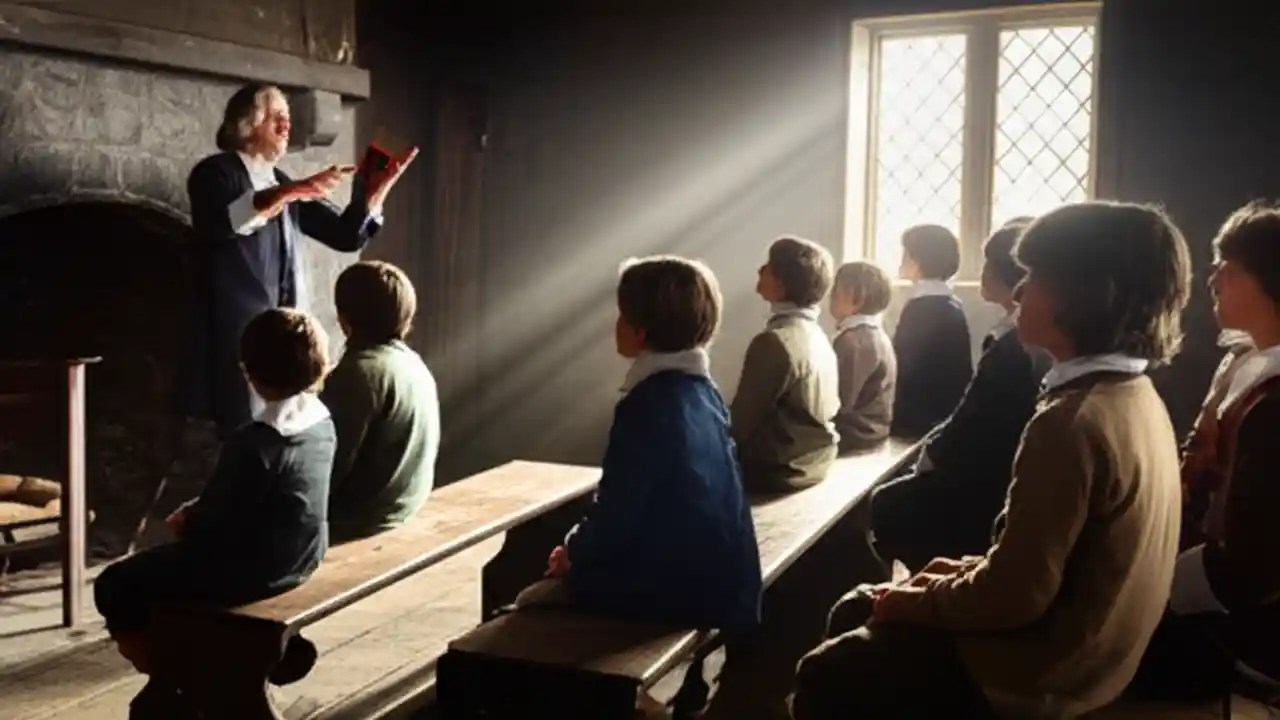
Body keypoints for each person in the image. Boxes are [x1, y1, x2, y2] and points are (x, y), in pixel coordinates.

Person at [792, 202, 1191, 719]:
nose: (1020, 292)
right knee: (864, 608)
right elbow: (1037, 562)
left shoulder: (1072, 421)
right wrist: (941, 577)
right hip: (1097, 655)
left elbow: (1017, 595)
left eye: (1036, 276)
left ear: (1088, 294)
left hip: (1044, 670)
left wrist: (912, 600)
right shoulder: (1132, 394)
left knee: (830, 668)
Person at [95, 308, 335, 712]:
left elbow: (215, 528)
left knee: (117, 582)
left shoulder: (253, 442)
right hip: (304, 555)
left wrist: (188, 520)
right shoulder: (322, 425)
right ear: (318, 367)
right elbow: (252, 500)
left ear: (248, 372)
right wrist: (201, 512)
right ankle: (275, 652)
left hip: (251, 571)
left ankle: (171, 669)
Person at [518, 256, 762, 632]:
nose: (615, 324)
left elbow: (619, 510)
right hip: (726, 580)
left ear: (641, 331)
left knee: (524, 593)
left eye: (622, 315)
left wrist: (573, 553)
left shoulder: (648, 404)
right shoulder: (704, 392)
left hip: (673, 592)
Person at [183, 83, 416, 436]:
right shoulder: (215, 173)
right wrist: (294, 191)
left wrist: (377, 188)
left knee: (289, 433)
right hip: (238, 337)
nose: (286, 124)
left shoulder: (281, 180)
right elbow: (224, 223)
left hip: (287, 341)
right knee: (244, 434)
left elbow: (345, 235)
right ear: (248, 123)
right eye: (276, 116)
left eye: (288, 117)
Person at [1131, 201, 1280, 702]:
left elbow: (1254, 552)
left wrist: (1164, 578)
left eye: (1229, 270)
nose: (1213, 279)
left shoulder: (1274, 398)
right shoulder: (1242, 357)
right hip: (1197, 545)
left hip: (1244, 594)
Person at [869, 218, 1049, 570]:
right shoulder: (962, 313)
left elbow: (977, 414)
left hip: (980, 470)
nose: (980, 273)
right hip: (965, 438)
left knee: (886, 503)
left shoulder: (1013, 345)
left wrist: (932, 452)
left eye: (986, 265)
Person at [321, 261, 439, 543]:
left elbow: (324, 471)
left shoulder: (357, 373)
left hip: (363, 525)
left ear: (344, 318)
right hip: (404, 508)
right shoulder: (412, 362)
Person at [731, 237, 839, 492]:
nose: (760, 270)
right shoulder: (817, 334)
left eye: (768, 266)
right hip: (815, 462)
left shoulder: (774, 341)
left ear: (782, 283)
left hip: (779, 470)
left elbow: (741, 424)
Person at [890, 224, 972, 439]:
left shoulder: (921, 308)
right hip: (944, 411)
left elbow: (906, 365)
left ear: (916, 262)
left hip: (919, 418)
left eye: (905, 255)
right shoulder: (951, 304)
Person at [828, 261, 896, 452]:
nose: (831, 295)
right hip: (871, 432)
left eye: (839, 289)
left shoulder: (854, 341)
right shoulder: (871, 333)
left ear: (858, 300)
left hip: (857, 436)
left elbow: (840, 401)